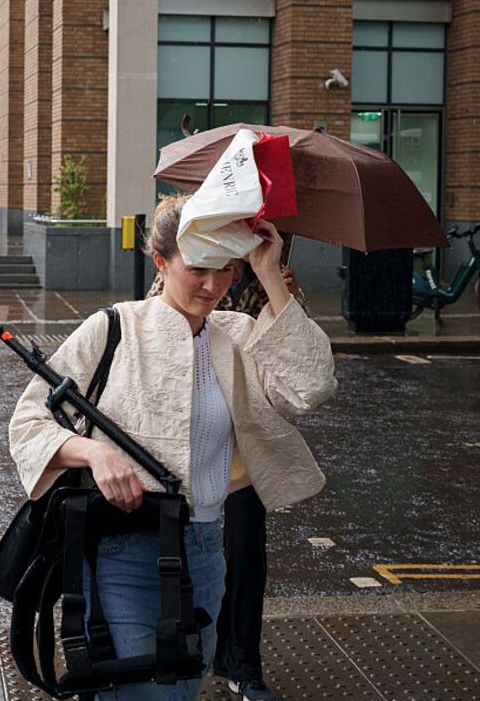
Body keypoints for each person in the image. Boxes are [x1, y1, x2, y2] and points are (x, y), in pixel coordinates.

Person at [7, 194, 335, 701]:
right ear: (161, 262)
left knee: (184, 687)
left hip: (205, 549)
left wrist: (268, 272)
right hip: (124, 550)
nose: (213, 285)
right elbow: (29, 422)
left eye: (225, 269)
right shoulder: (115, 328)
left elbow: (310, 386)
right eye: (198, 269)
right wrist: (93, 453)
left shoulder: (239, 335)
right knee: (145, 693)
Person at [147, 248, 306, 701]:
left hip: (241, 450)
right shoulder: (186, 271)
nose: (214, 279)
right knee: (178, 559)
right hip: (186, 449)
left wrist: (284, 297)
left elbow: (298, 375)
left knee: (245, 553)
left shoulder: (267, 277)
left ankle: (243, 663)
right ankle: (180, 654)